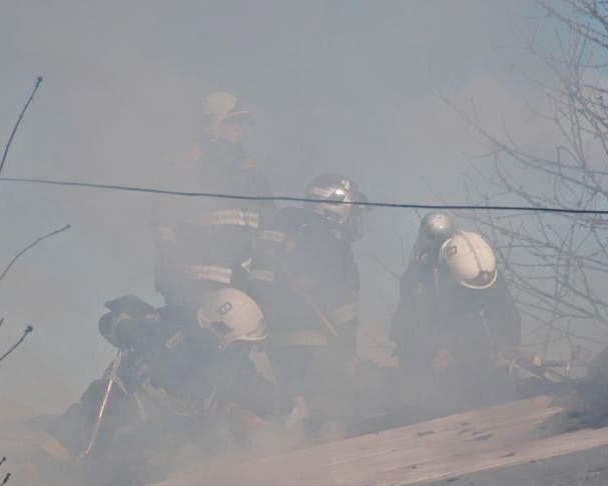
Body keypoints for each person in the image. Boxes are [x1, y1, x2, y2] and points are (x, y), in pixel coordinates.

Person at [43, 288, 279, 486]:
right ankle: (39, 468)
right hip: (129, 399)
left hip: (167, 429)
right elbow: (111, 318)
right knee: (97, 407)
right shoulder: (170, 322)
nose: (245, 353)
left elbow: (259, 394)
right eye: (241, 346)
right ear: (221, 332)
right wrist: (124, 328)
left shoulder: (232, 366)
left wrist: (293, 419)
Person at [249, 173, 368, 427]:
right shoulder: (331, 239)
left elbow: (259, 280)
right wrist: (348, 346)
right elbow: (342, 301)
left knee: (299, 408)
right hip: (320, 344)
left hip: (277, 342)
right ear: (332, 206)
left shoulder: (288, 225)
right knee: (333, 412)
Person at [151, 92, 280, 314]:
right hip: (198, 282)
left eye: (241, 122)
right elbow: (164, 222)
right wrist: (171, 270)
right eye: (232, 121)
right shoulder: (189, 166)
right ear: (212, 123)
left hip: (241, 279)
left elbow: (271, 223)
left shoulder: (251, 172)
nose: (239, 128)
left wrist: (264, 277)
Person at [391, 230, 521, 415]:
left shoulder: (488, 275)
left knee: (502, 386)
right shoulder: (422, 284)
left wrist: (506, 347)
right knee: (443, 398)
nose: (477, 296)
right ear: (452, 278)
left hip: (476, 355)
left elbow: (507, 315)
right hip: (432, 371)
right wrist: (439, 351)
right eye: (470, 290)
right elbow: (415, 331)